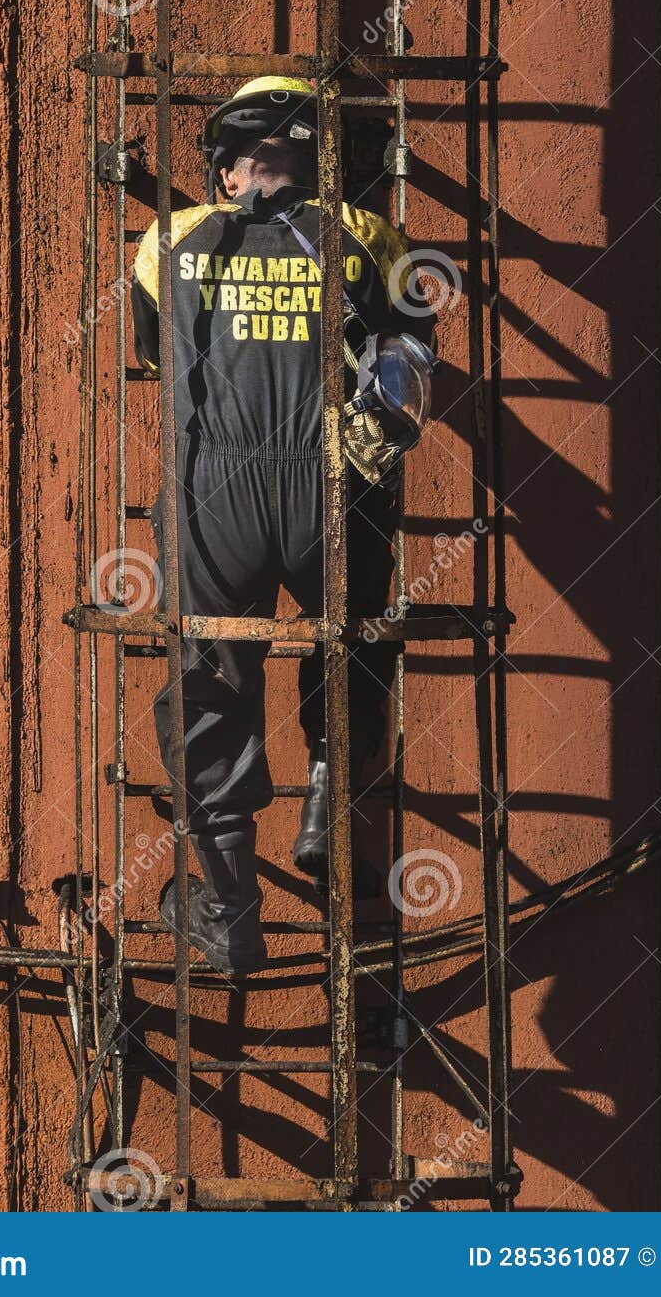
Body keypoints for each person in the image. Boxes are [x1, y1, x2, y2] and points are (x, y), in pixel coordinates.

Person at [130, 76, 436, 975]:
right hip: (331, 488)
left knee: (210, 671)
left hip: (213, 493)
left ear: (225, 170)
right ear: (317, 158)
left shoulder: (168, 240)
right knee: (353, 639)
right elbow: (415, 346)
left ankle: (230, 910)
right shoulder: (366, 234)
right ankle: (323, 798)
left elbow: (153, 351)